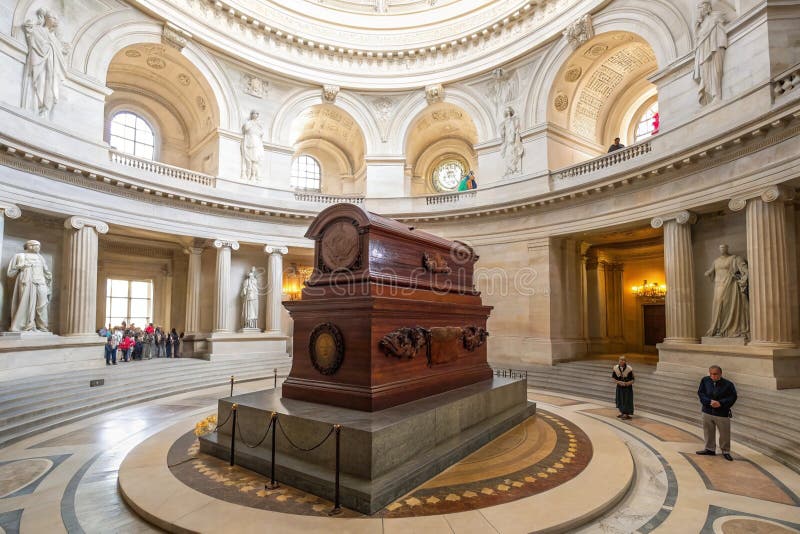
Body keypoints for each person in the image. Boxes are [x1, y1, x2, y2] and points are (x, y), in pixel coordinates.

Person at [7, 239, 52, 332]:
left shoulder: (40, 257)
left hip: (41, 282)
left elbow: (46, 272)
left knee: (42, 304)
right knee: (25, 303)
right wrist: (20, 266)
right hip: (26, 282)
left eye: (39, 246)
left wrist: (48, 285)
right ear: (29, 246)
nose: (38, 247)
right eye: (36, 245)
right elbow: (10, 273)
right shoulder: (20, 256)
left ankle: (42, 326)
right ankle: (26, 325)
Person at [705, 243, 749, 339]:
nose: (722, 249)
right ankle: (718, 329)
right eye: (720, 248)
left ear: (727, 248)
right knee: (718, 305)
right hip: (718, 285)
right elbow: (711, 270)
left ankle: (726, 329)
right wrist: (708, 272)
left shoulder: (734, 258)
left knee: (726, 305)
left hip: (729, 284)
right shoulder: (716, 261)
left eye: (724, 248)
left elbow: (744, 269)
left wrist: (743, 275)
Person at [697, 365, 737, 461]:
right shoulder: (705, 380)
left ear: (720, 374)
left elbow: (733, 397)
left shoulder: (728, 384)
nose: (713, 376)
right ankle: (709, 449)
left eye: (715, 374)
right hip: (707, 411)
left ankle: (725, 451)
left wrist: (720, 403)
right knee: (708, 431)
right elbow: (701, 393)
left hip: (722, 413)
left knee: (724, 434)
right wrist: (709, 402)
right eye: (711, 374)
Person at [693, 0, 727, 105]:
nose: (700, 10)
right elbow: (697, 38)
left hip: (714, 48)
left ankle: (717, 95)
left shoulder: (715, 17)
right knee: (705, 74)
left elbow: (722, 26)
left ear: (708, 7)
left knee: (716, 70)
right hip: (704, 51)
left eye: (702, 7)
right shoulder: (700, 26)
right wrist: (696, 25)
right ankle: (710, 97)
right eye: (699, 8)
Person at [241, 110, 264, 180]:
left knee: (255, 160)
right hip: (249, 142)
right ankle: (247, 174)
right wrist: (252, 124)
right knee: (248, 159)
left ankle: (253, 175)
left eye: (257, 114)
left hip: (256, 143)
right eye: (254, 113)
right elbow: (246, 129)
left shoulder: (259, 125)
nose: (255, 115)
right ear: (251, 115)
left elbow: (261, 133)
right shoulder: (248, 123)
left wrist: (256, 126)